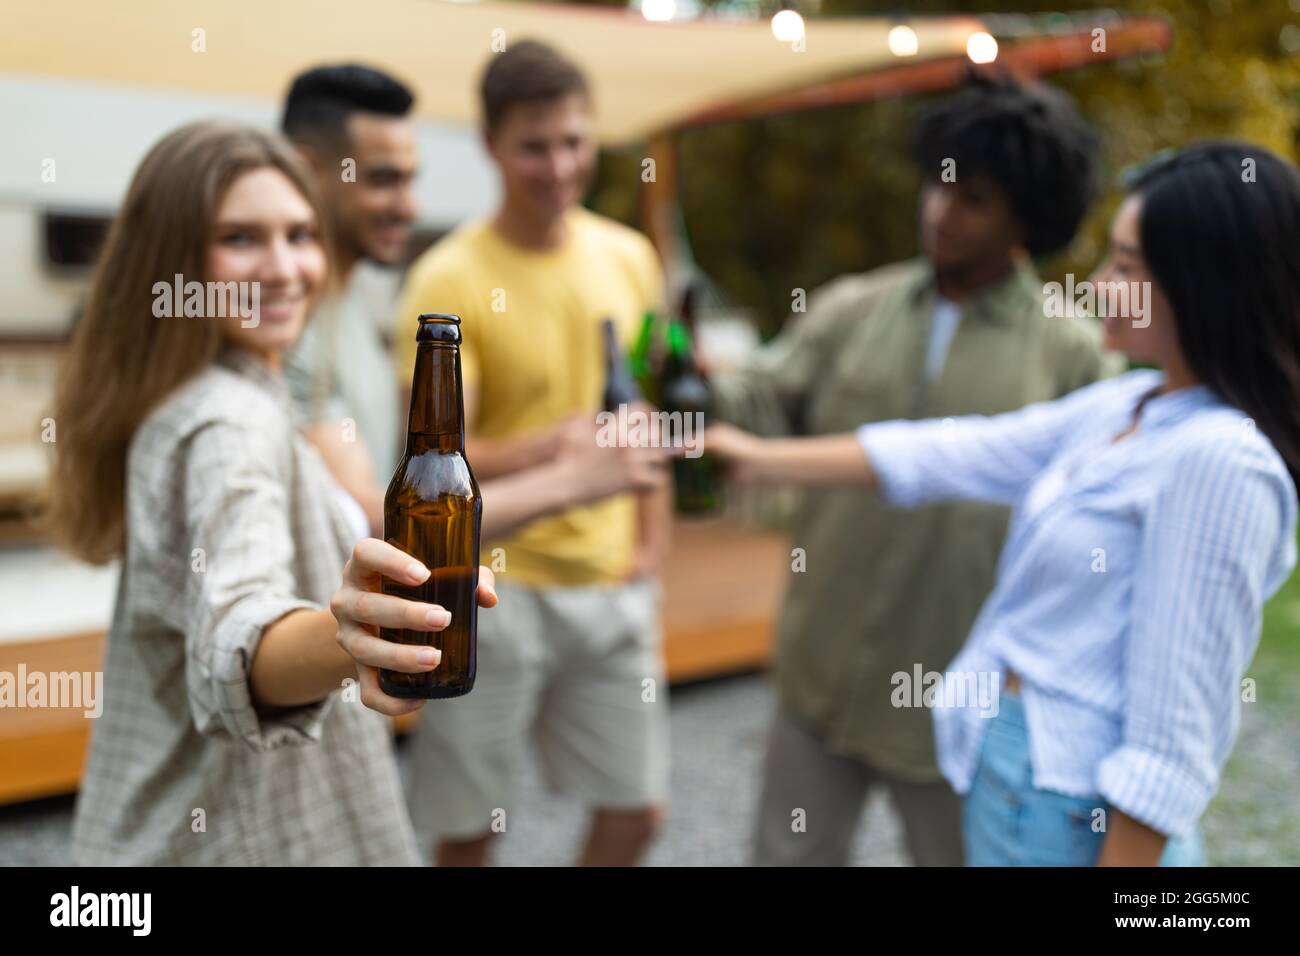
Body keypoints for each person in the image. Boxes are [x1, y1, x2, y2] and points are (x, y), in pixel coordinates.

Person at [47, 121, 667, 865]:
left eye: (300, 234)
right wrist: (352, 641)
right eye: (241, 238)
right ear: (171, 259)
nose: (284, 267)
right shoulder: (224, 422)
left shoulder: (239, 382)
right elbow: (238, 633)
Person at [706, 141, 1300, 866]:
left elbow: (1170, 747)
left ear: (1207, 284)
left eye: (1127, 266)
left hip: (1060, 814)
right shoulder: (1130, 403)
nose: (1099, 284)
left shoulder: (1219, 459)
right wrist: (754, 454)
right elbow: (949, 452)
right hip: (1022, 789)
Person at [708, 73, 1117, 866]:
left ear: (1027, 216)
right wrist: (685, 384)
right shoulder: (850, 309)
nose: (941, 209)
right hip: (819, 673)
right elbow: (760, 401)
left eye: (975, 198)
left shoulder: (1073, 355)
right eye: (939, 183)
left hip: (962, 702)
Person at [395, 40, 671, 867]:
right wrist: (554, 446)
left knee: (639, 811)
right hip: (493, 588)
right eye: (533, 145)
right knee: (471, 826)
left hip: (612, 587)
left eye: (574, 142)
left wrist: (653, 547)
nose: (558, 165)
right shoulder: (449, 275)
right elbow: (445, 458)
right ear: (489, 145)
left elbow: (646, 420)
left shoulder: (630, 255)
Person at [279, 64, 420, 533]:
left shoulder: (351, 294)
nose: (409, 207)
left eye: (409, 180)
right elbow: (364, 517)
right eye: (383, 181)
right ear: (308, 171)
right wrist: (569, 483)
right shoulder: (282, 322)